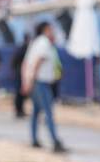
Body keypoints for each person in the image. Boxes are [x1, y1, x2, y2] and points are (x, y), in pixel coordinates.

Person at [21, 21, 67, 153]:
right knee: (48, 111)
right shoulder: (44, 43)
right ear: (46, 30)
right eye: (51, 29)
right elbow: (37, 62)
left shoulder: (36, 42)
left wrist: (27, 81)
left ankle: (34, 139)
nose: (53, 32)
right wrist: (30, 81)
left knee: (36, 111)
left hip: (37, 82)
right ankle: (55, 141)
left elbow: (27, 63)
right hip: (40, 82)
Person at [10, 33, 31, 118]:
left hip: (22, 74)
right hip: (20, 74)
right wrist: (15, 71)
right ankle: (18, 110)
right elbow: (15, 61)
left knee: (22, 93)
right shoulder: (23, 49)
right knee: (19, 93)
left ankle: (20, 109)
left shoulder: (24, 48)